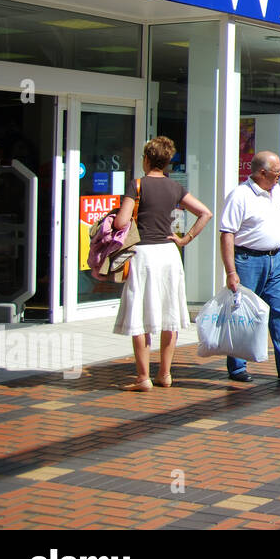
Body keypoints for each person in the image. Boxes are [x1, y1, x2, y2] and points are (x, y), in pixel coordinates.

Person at [113, 136, 212, 391]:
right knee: (169, 312)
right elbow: (205, 213)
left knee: (140, 314)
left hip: (143, 254)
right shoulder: (175, 188)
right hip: (169, 254)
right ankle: (165, 374)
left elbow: (120, 223)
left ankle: (142, 377)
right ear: (167, 162)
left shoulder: (137, 185)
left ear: (146, 159)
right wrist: (185, 239)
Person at [219, 151, 280, 382]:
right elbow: (227, 234)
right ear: (262, 173)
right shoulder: (240, 195)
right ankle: (238, 367)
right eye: (276, 172)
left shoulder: (276, 191)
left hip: (276, 260)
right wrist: (231, 271)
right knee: (243, 314)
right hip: (248, 261)